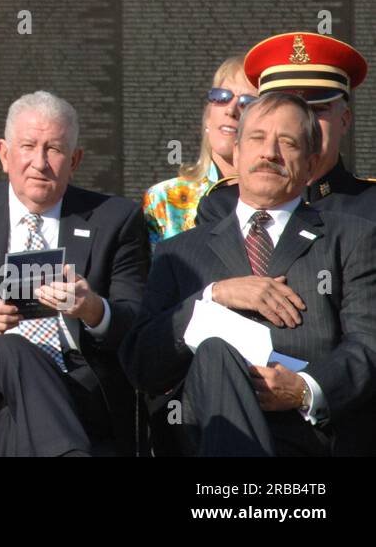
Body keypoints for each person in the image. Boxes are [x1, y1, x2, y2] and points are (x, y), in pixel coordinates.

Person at [122, 92, 376, 456]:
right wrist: (212, 297)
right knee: (214, 352)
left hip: (307, 436)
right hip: (204, 431)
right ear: (237, 153)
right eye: (257, 138)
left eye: (287, 143)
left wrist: (304, 389)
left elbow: (368, 345)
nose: (269, 153)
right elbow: (141, 366)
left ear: (310, 164)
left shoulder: (350, 239)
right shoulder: (178, 253)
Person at [0, 92, 148, 456]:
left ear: (75, 160)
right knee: (10, 347)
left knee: (14, 421)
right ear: (5, 154)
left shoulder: (115, 220)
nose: (39, 163)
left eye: (53, 149)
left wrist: (93, 309)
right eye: (28, 147)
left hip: (78, 384)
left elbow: (137, 321)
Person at [196, 33, 376, 225]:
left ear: (344, 120)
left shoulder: (370, 207)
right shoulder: (223, 207)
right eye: (285, 112)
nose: (301, 124)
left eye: (317, 109)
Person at [142, 57, 257, 247]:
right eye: (221, 96)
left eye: (248, 102)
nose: (231, 110)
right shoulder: (163, 200)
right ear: (208, 116)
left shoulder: (284, 201)